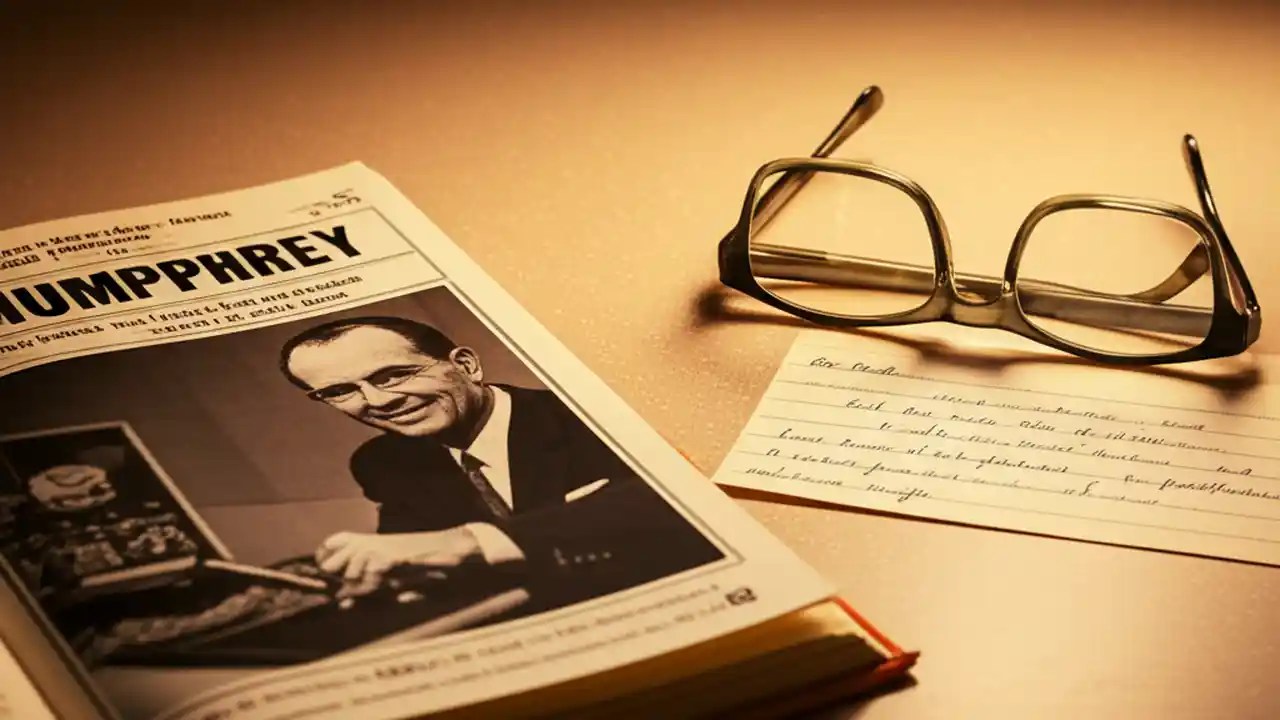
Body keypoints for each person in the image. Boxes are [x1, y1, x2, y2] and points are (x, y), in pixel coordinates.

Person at [279, 315, 721, 607]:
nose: (378, 401)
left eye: (392, 375)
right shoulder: (381, 462)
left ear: (466, 365)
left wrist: (467, 542)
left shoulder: (590, 414)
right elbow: (412, 549)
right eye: (340, 391)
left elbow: (683, 501)